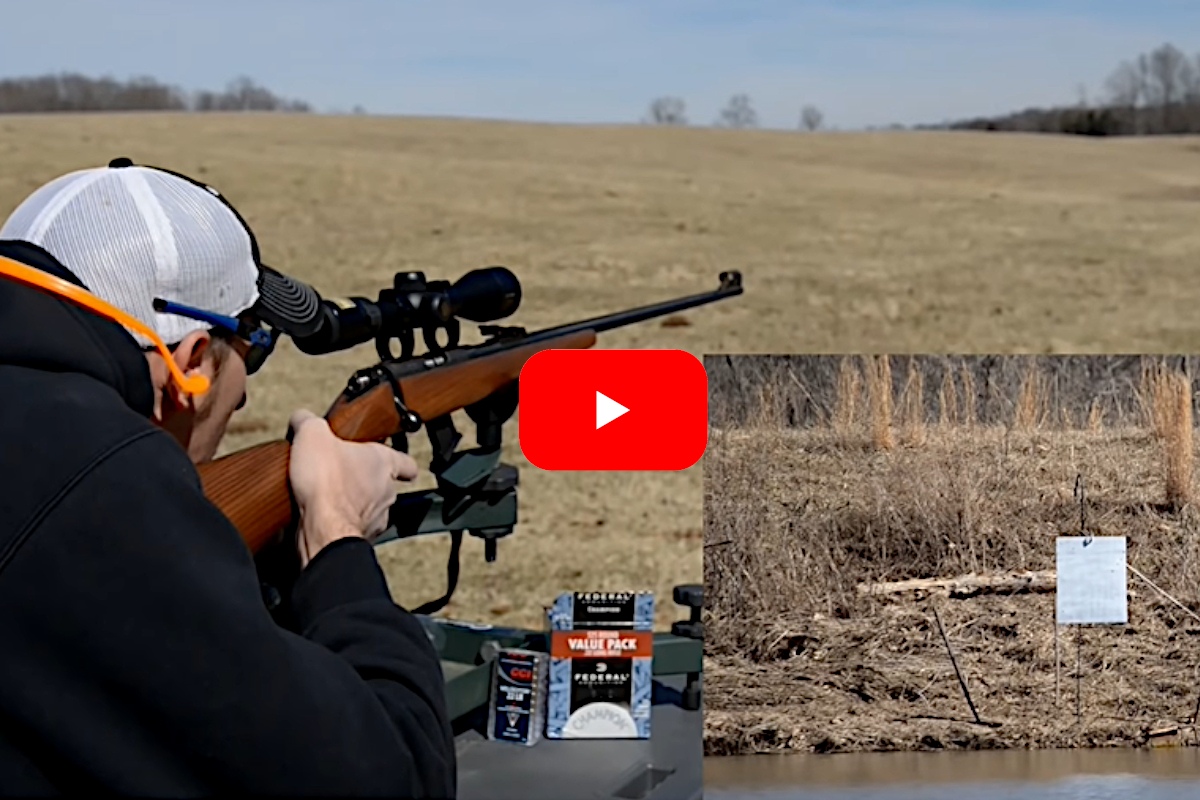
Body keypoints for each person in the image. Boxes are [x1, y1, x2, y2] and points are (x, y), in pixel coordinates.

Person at [0, 159, 457, 797]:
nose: (241, 398)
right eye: (253, 352)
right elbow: (387, 779)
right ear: (190, 364)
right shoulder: (99, 487)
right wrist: (336, 535)